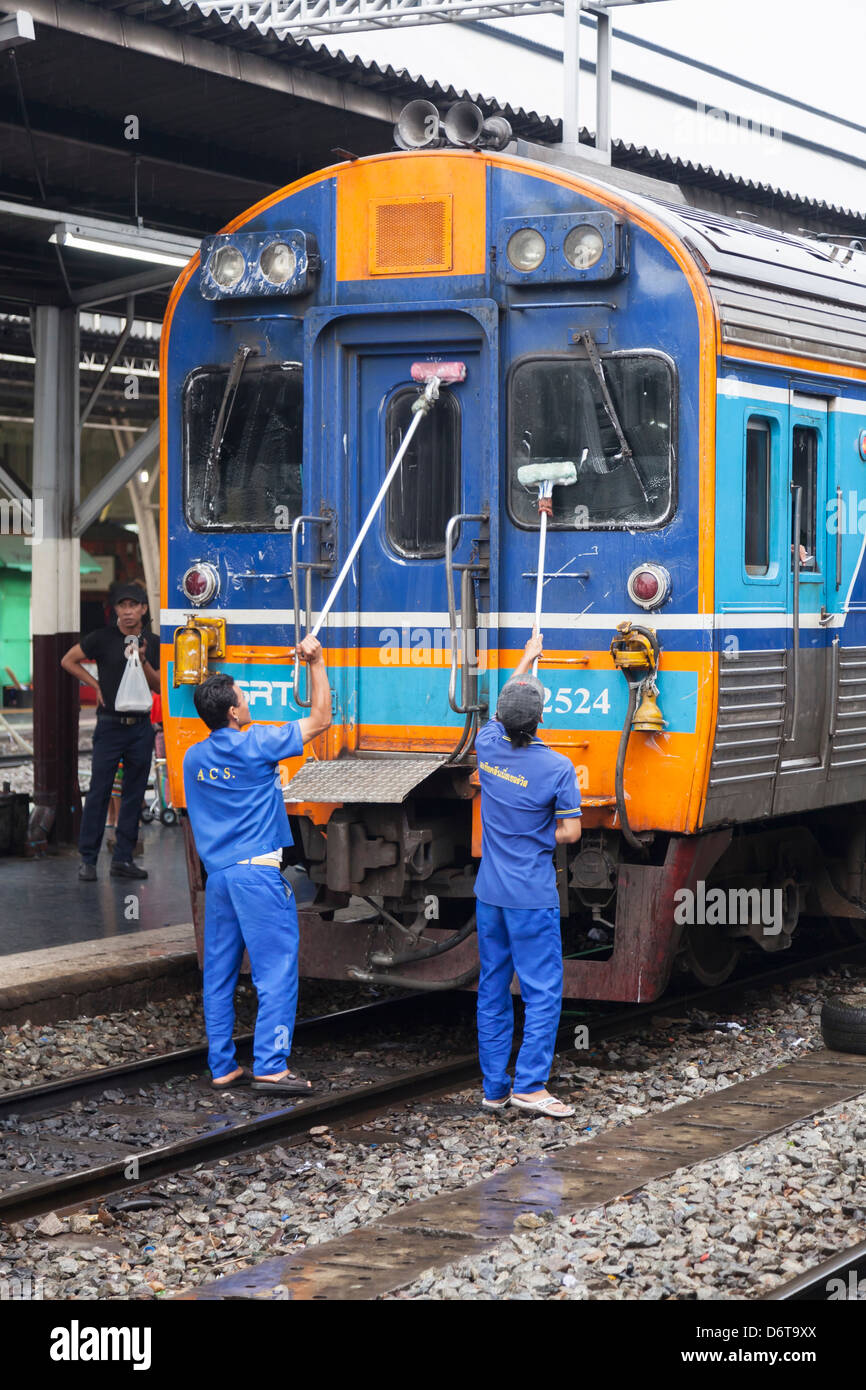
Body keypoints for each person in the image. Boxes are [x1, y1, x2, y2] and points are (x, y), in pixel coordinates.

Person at [183, 635, 331, 1092]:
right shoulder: (258, 744)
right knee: (276, 971)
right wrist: (317, 664)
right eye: (243, 699)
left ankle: (223, 1065)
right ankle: (270, 1064)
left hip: (220, 878)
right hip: (257, 876)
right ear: (232, 712)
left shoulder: (192, 758)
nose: (247, 703)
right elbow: (321, 720)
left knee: (220, 973)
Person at [473, 633, 583, 1119]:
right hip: (531, 897)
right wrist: (541, 832)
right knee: (541, 992)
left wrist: (526, 659)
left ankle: (495, 1088)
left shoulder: (488, 747)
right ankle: (531, 1086)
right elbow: (571, 833)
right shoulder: (558, 767)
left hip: (489, 894)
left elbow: (506, 708)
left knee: (492, 989)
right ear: (541, 719)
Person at [61, 582, 160, 881]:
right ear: (115, 609)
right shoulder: (102, 638)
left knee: (133, 796)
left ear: (143, 609)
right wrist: (95, 686)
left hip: (141, 728)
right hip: (109, 726)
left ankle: (123, 859)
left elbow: (158, 685)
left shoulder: (154, 642)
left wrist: (141, 658)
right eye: (122, 605)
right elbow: (68, 660)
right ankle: (88, 860)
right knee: (99, 793)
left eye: (133, 605)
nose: (127, 611)